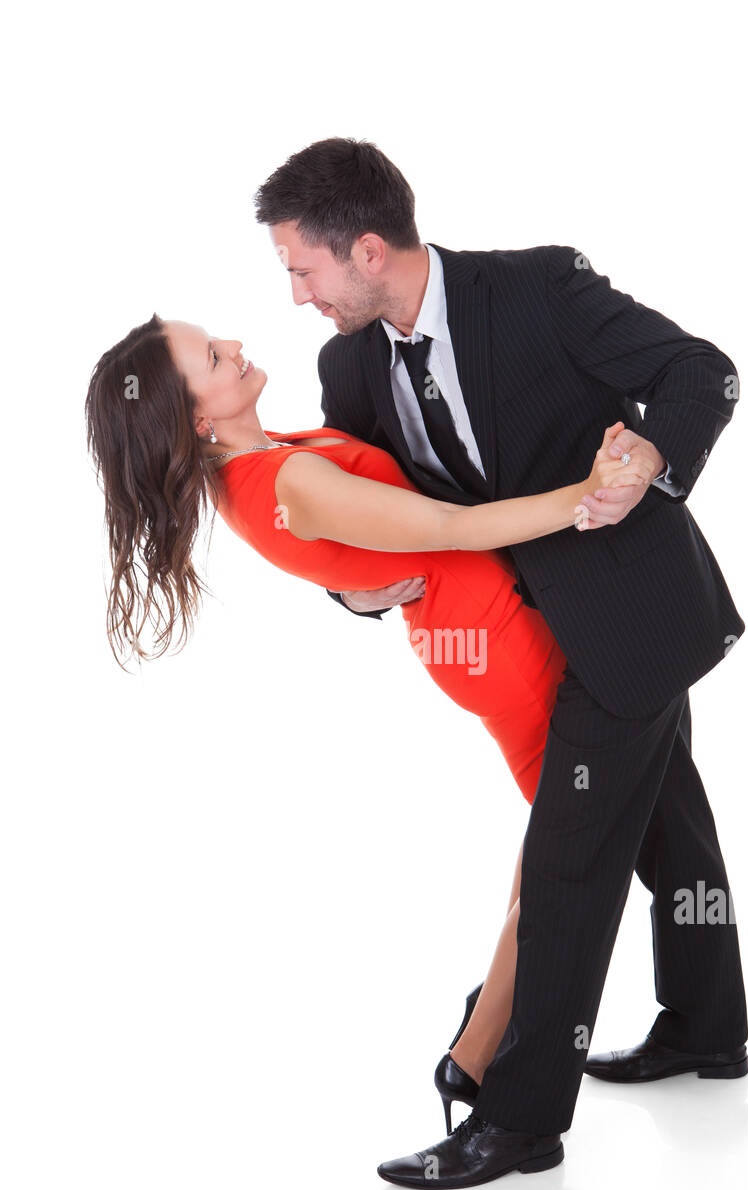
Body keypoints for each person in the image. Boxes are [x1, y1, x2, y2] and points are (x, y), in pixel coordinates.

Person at [253, 136, 748, 1190]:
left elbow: (698, 369)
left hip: (632, 617)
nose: (295, 294)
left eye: (303, 268)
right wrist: (358, 593)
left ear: (369, 248)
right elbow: (377, 529)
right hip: (524, 639)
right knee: (668, 821)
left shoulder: (535, 288)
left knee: (567, 862)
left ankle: (517, 1120)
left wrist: (651, 458)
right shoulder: (348, 367)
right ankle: (707, 1029)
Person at [84, 313, 651, 1128]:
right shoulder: (279, 484)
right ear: (194, 420)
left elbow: (361, 550)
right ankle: (480, 1059)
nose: (237, 345)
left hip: (488, 625)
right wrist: (590, 492)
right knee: (570, 851)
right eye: (213, 356)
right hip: (499, 647)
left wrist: (353, 585)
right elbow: (448, 530)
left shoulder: (264, 454)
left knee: (560, 839)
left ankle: (483, 1035)